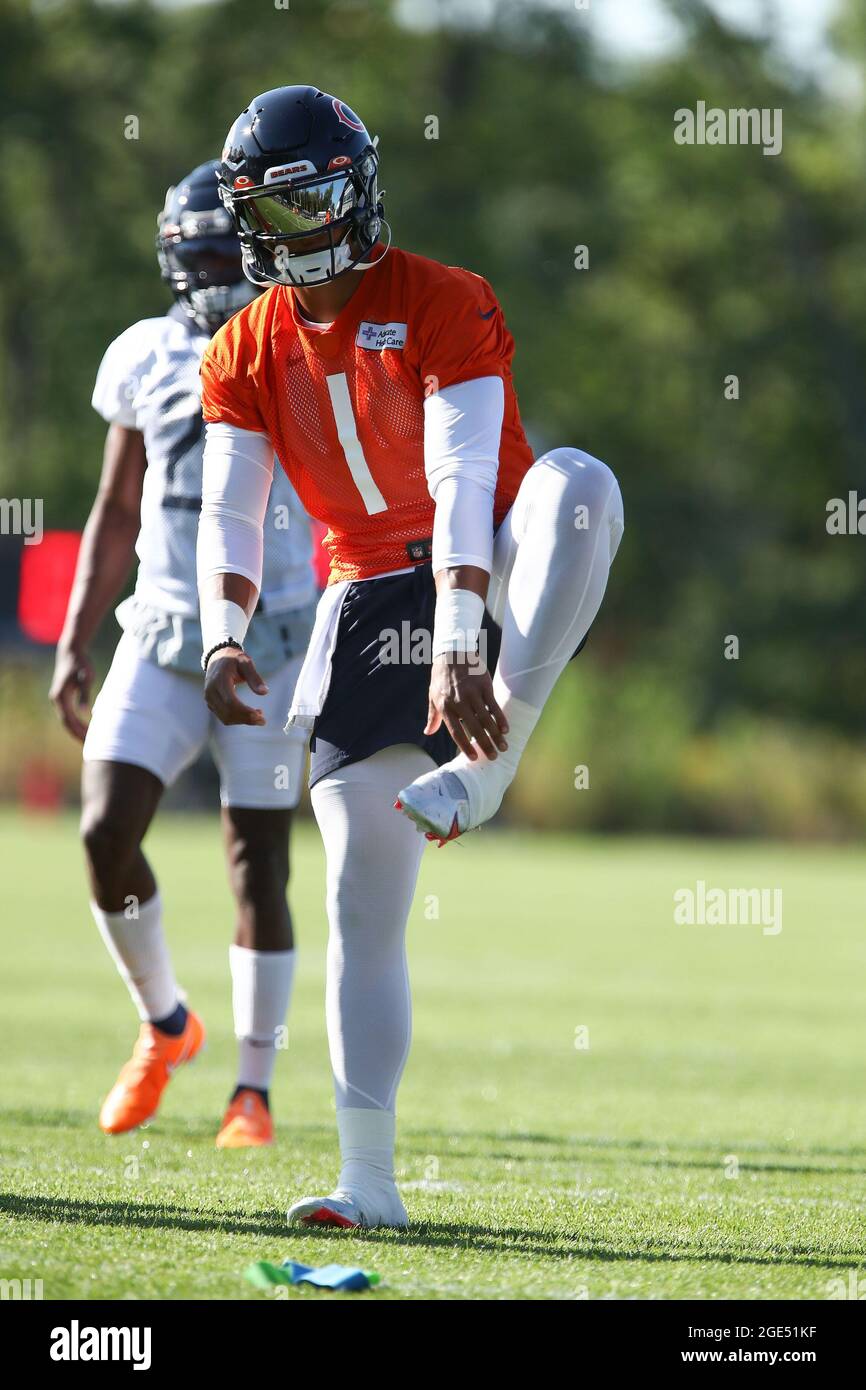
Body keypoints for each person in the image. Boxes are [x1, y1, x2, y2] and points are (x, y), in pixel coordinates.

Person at [196, 88, 624, 1222]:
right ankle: (368, 1183)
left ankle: (489, 766)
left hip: (478, 563)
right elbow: (233, 514)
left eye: (316, 203)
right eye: (276, 213)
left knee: (580, 485)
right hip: (358, 599)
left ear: (359, 189)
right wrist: (221, 634)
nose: (302, 232)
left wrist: (457, 637)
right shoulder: (241, 346)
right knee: (357, 899)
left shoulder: (443, 297)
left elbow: (461, 475)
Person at [50, 161, 316, 1149]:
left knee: (259, 864)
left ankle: (252, 1089)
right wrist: (75, 639)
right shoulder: (142, 354)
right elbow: (117, 506)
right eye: (194, 250)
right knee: (101, 831)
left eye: (222, 249)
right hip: (160, 629)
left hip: (272, 637)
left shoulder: (294, 344)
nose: (208, 268)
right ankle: (165, 1022)